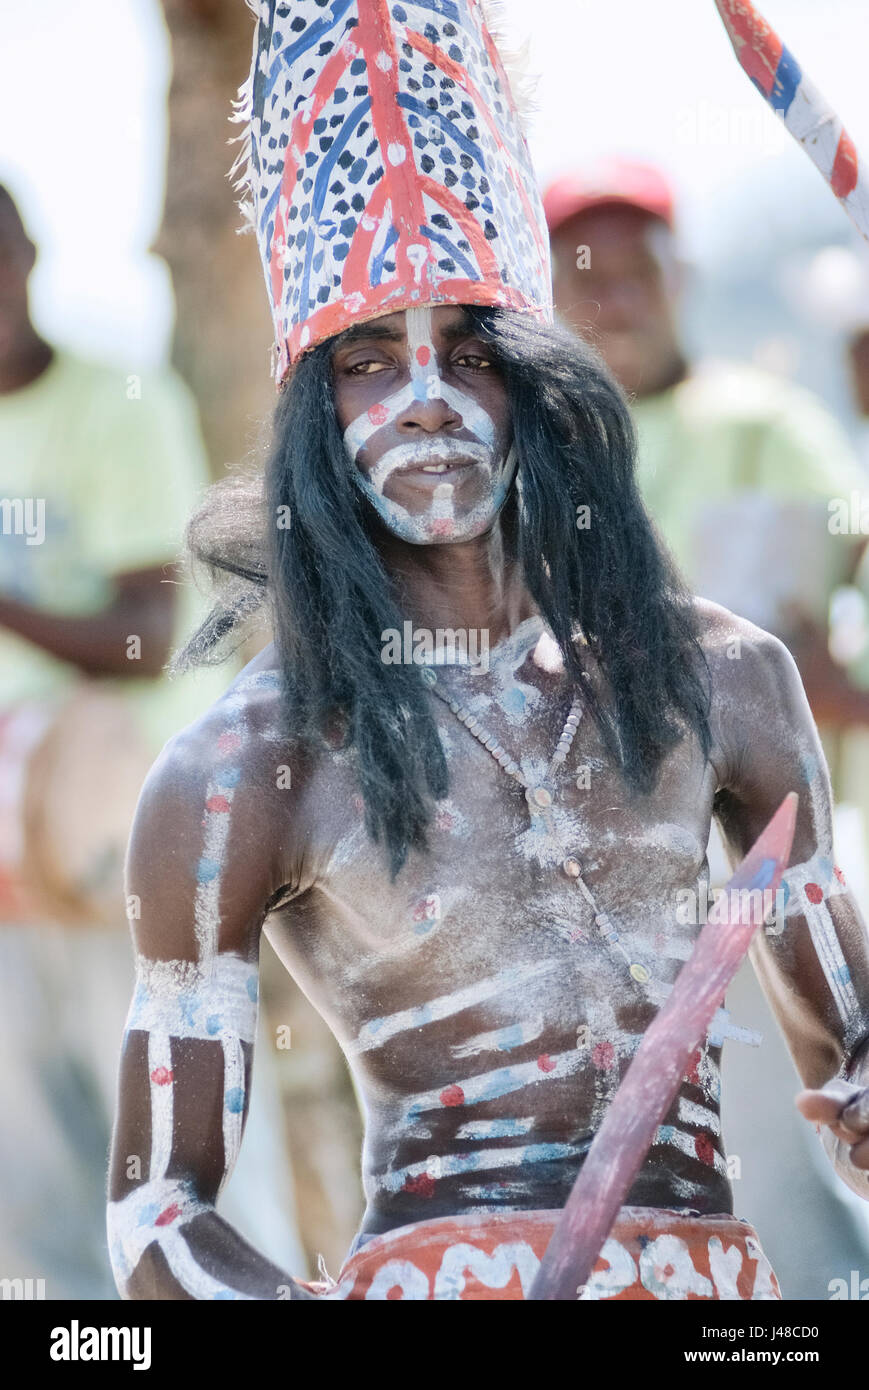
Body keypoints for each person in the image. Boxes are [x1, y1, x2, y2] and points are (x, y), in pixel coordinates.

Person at [107, 1, 869, 1302]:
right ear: (315, 422)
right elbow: (153, 1211)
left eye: (468, 352)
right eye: (368, 362)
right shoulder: (239, 772)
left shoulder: (722, 679)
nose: (426, 401)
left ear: (538, 389)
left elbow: (846, 1046)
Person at [544, 160, 869, 1296]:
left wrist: (818, 675)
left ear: (677, 280)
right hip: (603, 888)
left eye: (638, 272)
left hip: (771, 858)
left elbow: (832, 629)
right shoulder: (540, 465)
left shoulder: (765, 427)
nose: (615, 298)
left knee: (798, 1164)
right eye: (588, 276)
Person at [0, 180, 296, 1298]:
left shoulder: (118, 404)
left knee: (185, 1167)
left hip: (125, 845)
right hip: (6, 874)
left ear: (28, 254)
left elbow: (141, 635)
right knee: (28, 1192)